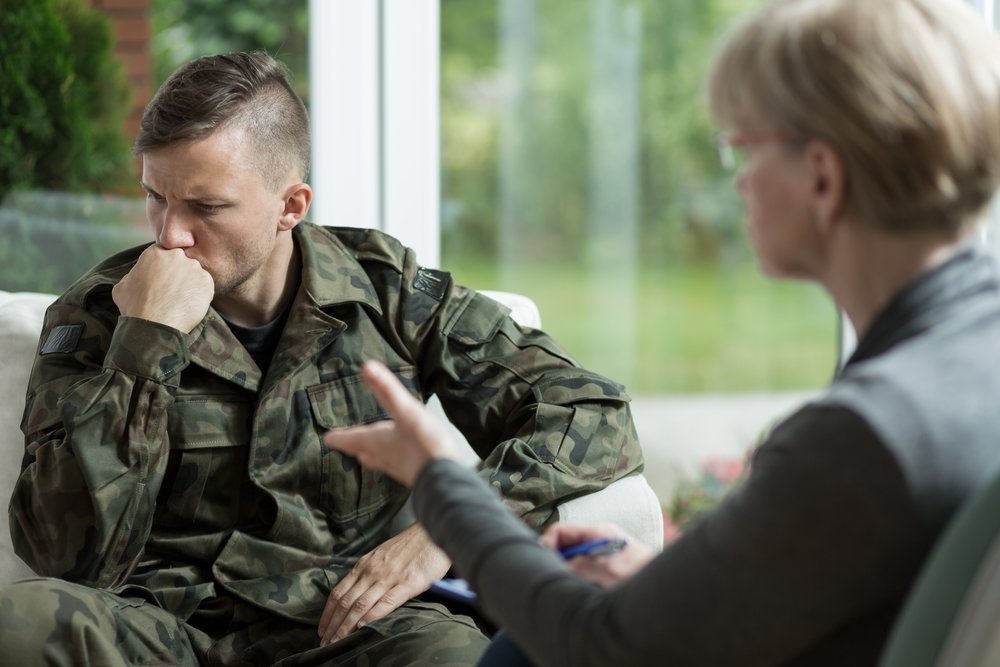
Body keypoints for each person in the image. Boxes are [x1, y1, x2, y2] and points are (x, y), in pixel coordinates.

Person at [324, 0, 1000, 665]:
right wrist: (682, 583)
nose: (737, 183)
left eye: (743, 147)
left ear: (823, 177)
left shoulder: (859, 434)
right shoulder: (970, 357)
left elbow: (593, 645)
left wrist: (438, 482)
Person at [0, 51, 643, 665]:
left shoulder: (386, 293)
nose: (170, 235)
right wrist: (144, 342)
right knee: (17, 626)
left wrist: (447, 530)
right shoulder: (100, 313)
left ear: (291, 205)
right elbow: (60, 552)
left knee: (457, 658)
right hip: (160, 627)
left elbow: (589, 410)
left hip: (345, 622)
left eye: (206, 206)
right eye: (155, 197)